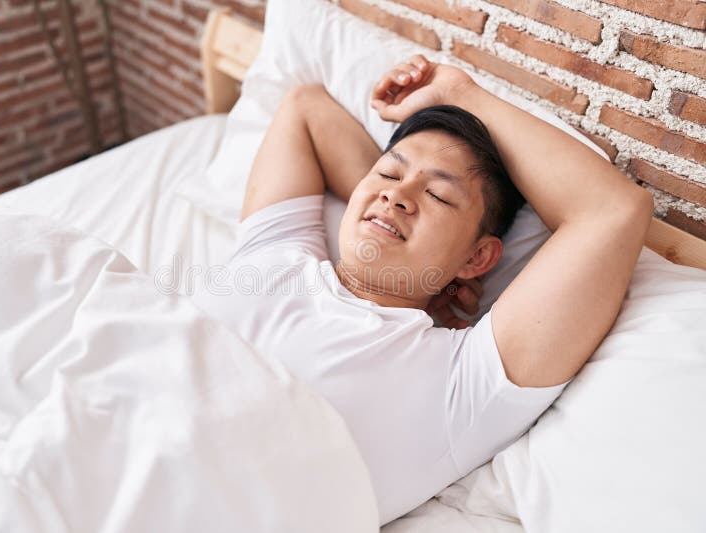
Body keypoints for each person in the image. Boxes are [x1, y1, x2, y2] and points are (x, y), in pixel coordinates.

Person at [193, 55, 653, 525]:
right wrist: (407, 231)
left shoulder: (462, 384)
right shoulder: (276, 250)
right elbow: (306, 107)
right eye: (389, 175)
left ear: (478, 258)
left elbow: (612, 210)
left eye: (439, 196)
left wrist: (460, 93)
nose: (395, 193)